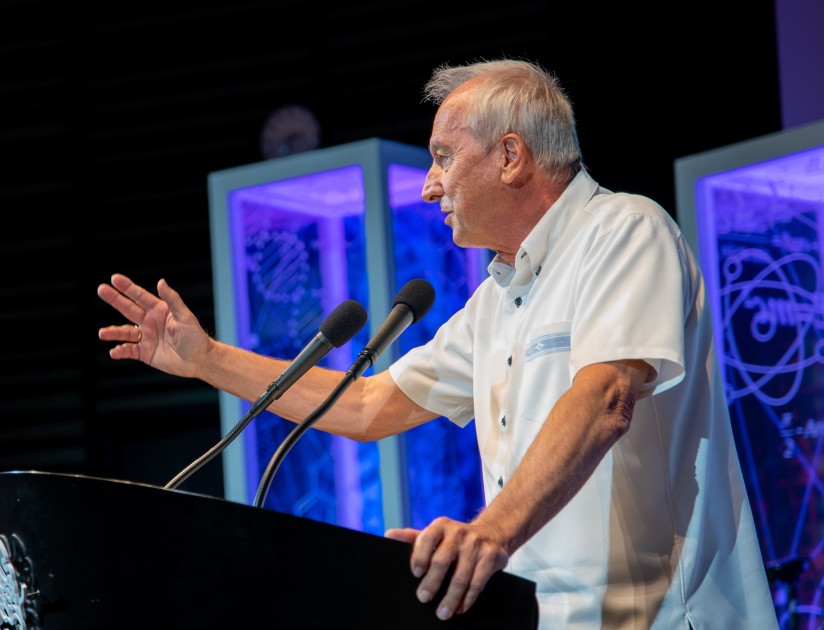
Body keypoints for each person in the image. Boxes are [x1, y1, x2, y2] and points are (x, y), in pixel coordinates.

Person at [96, 58, 777, 629]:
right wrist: (207, 358)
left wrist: (488, 533)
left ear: (511, 156)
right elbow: (366, 406)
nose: (429, 187)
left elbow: (604, 397)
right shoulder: (495, 302)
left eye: (444, 158)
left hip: (665, 619)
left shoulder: (624, 230)